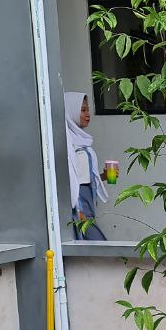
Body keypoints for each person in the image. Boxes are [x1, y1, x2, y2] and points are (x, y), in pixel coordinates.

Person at [66, 91, 109, 241]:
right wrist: (77, 208)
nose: (87, 114)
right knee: (97, 243)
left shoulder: (82, 141)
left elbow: (83, 176)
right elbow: (69, 178)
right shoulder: (67, 143)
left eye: (88, 110)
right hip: (78, 202)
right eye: (83, 110)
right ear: (70, 112)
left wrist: (103, 176)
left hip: (88, 200)